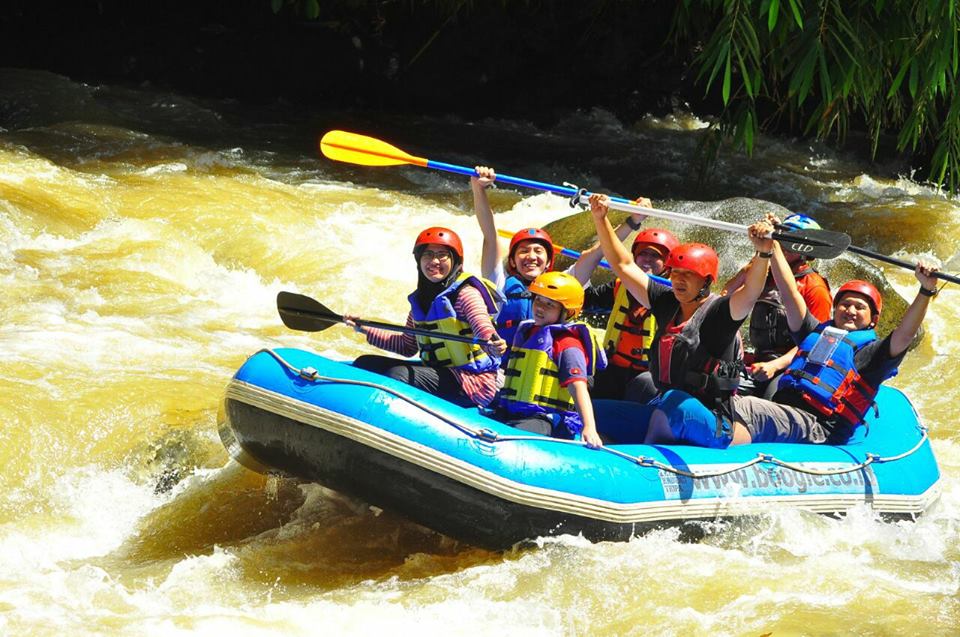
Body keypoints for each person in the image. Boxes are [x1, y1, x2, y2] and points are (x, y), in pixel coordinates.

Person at [644, 220, 941, 448]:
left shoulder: (871, 354)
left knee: (745, 406)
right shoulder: (816, 332)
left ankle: (711, 438)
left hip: (820, 425)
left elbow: (903, 334)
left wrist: (925, 289)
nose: (850, 310)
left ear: (873, 319)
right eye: (845, 304)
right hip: (789, 412)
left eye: (859, 308)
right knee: (736, 403)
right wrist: (771, 247)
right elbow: (789, 293)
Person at [588, 193, 774, 444]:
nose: (678, 280)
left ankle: (647, 460)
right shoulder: (666, 302)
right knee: (591, 411)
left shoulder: (721, 314)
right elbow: (622, 264)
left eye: (688, 275)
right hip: (665, 409)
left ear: (707, 281)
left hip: (710, 420)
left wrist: (763, 253)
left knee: (675, 401)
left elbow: (751, 292)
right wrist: (601, 219)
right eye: (675, 273)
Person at [346, 226, 507, 408]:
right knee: (365, 363)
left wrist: (493, 342)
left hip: (473, 382)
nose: (434, 261)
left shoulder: (466, 294)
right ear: (419, 260)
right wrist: (362, 328)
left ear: (455, 261)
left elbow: (481, 323)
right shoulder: (421, 301)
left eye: (442, 255)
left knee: (398, 374)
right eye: (428, 254)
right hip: (441, 373)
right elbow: (406, 346)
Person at [722, 213, 832, 399]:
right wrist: (761, 250)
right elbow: (725, 297)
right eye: (781, 238)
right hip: (759, 359)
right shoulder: (764, 272)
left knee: (771, 398)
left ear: (806, 250)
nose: (784, 246)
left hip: (789, 366)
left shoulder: (815, 287)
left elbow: (817, 342)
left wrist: (775, 365)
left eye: (791, 241)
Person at [496, 271, 607, 447]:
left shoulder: (568, 343)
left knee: (511, 439)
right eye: (538, 300)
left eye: (550, 305)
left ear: (567, 312)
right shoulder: (529, 331)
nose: (540, 307)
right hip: (513, 410)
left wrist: (589, 427)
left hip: (546, 419)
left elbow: (578, 387)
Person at [573, 224, 678, 402]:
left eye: (655, 256)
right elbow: (585, 300)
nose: (647, 259)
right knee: (581, 380)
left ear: (667, 264)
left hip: (648, 375)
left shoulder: (674, 297)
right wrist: (588, 259)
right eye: (643, 253)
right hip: (613, 367)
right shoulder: (620, 286)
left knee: (644, 387)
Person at [471, 166, 556, 347]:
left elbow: (594, 256)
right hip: (501, 370)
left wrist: (630, 221)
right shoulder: (499, 283)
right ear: (512, 261)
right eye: (523, 251)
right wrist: (478, 189)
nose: (531, 256)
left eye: (538, 251)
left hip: (537, 370)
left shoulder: (561, 287)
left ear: (548, 262)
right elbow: (490, 236)